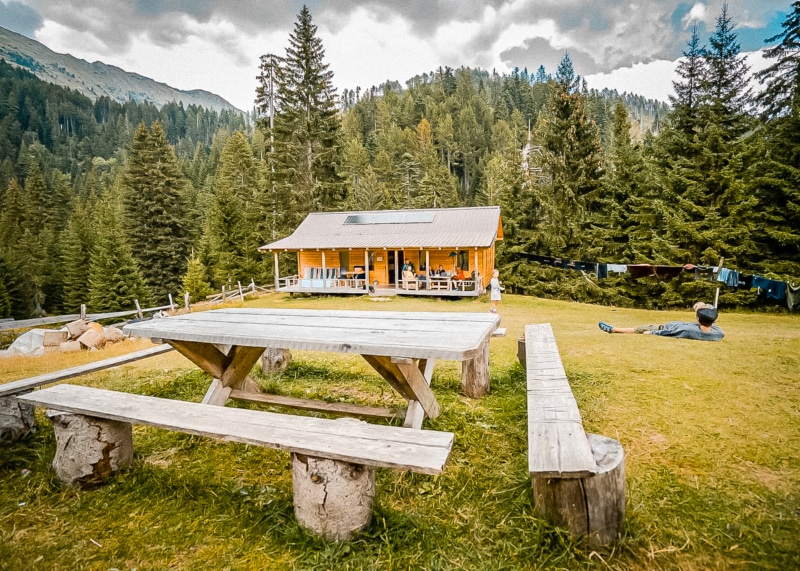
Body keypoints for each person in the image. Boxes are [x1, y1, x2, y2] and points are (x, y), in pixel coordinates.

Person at [598, 302, 724, 341]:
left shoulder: (687, 330)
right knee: (702, 305)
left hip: (664, 328)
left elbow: (668, 333)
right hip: (699, 324)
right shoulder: (718, 333)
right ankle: (701, 307)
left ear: (697, 319)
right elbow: (715, 328)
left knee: (640, 328)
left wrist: (652, 333)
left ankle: (614, 329)